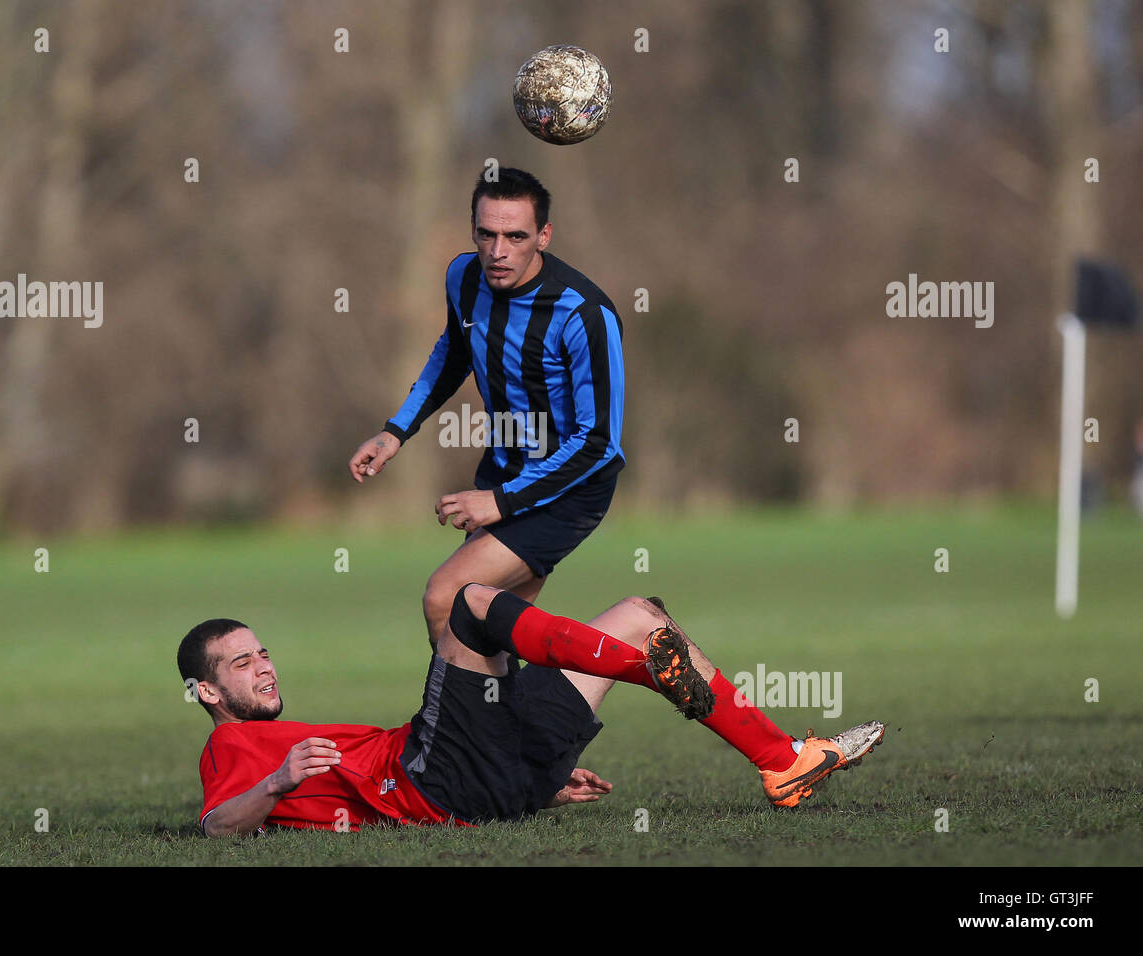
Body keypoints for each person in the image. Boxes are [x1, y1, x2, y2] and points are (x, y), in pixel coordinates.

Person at [178, 588, 885, 835]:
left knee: (642, 615)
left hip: (485, 777)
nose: (263, 667)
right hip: (433, 777)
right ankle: (649, 674)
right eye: (240, 664)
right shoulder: (232, 750)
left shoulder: (281, 732)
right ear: (207, 693)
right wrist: (275, 783)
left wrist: (535, 787)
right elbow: (214, 828)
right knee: (470, 608)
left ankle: (782, 762)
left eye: (262, 653)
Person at [349, 168, 626, 650]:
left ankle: (453, 726)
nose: (498, 251)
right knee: (491, 631)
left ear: (544, 236)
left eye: (516, 236)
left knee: (448, 598)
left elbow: (599, 443)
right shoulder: (462, 276)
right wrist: (395, 431)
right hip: (503, 470)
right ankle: (520, 717)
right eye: (487, 234)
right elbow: (455, 353)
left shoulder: (583, 313)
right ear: (472, 229)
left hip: (568, 489)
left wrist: (500, 502)